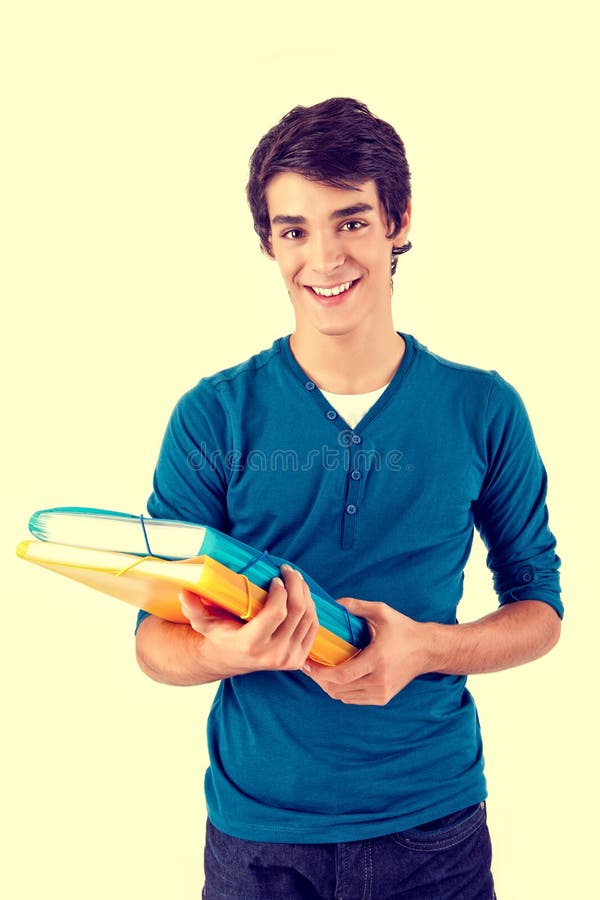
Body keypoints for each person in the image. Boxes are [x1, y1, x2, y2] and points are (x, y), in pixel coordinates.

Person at [135, 98, 562, 899]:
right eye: (294, 229)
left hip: (435, 831)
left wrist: (428, 648)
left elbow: (541, 612)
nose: (324, 257)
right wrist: (223, 654)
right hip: (260, 840)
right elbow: (154, 641)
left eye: (351, 221)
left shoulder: (484, 409)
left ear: (398, 220)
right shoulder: (212, 416)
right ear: (268, 242)